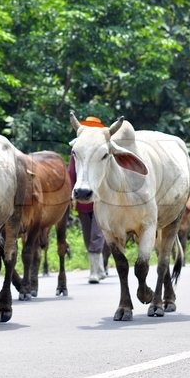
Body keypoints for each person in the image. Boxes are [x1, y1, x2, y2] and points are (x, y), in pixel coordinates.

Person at [68, 116, 107, 284]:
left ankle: (95, 271)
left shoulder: (103, 151)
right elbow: (70, 173)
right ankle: (98, 268)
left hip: (99, 200)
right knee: (87, 235)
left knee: (97, 235)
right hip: (82, 200)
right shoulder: (77, 150)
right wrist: (68, 195)